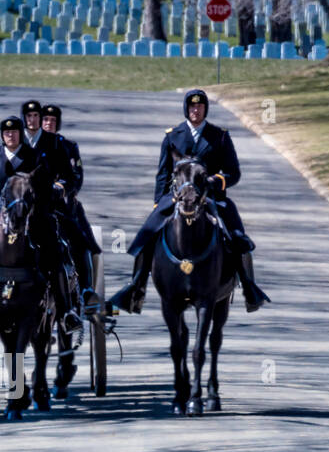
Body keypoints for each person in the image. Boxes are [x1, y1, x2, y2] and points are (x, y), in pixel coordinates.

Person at [108, 88, 270, 314]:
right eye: (192, 106)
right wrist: (159, 203)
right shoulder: (172, 136)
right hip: (177, 197)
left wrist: (217, 181)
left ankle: (249, 287)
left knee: (238, 236)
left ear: (205, 109)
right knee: (146, 235)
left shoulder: (220, 136)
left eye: (200, 106)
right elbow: (163, 174)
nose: (196, 110)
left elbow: (234, 172)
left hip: (211, 197)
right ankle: (136, 287)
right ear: (187, 108)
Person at [0, 114, 82, 332]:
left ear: (20, 135)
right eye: (6, 133)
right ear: (2, 135)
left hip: (33, 217)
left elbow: (46, 188)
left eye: (14, 132)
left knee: (56, 255)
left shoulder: (35, 157)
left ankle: (66, 312)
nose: (10, 136)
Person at [41, 103, 102, 312]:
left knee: (81, 242)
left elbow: (76, 177)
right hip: (36, 208)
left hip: (64, 206)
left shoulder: (68, 146)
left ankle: (85, 289)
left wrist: (61, 188)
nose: (48, 123)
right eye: (45, 120)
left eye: (52, 121)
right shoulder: (30, 146)